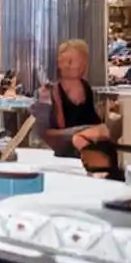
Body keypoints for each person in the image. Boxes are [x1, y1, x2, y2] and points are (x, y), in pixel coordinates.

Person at [37, 39, 117, 175]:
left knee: (108, 130)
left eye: (75, 61)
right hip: (67, 138)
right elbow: (51, 129)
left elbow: (93, 118)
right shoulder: (53, 91)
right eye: (64, 61)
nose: (69, 65)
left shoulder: (85, 87)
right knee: (90, 134)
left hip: (89, 135)